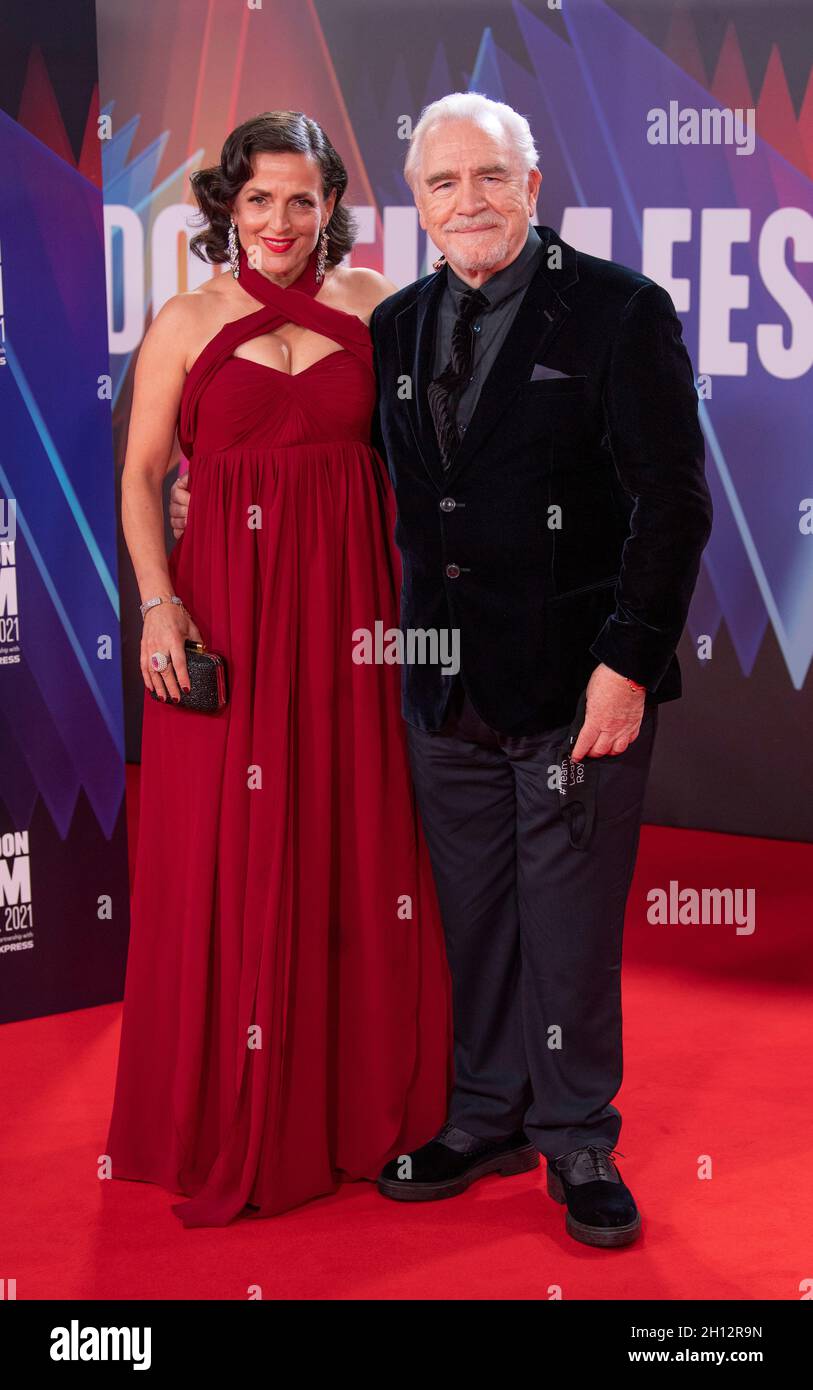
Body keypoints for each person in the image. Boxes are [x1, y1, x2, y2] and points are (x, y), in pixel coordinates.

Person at [369, 93, 713, 1247]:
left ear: (533, 183)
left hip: (578, 685)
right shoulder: (398, 322)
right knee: (475, 920)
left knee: (567, 925)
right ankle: (486, 1119)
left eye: (487, 177)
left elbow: (674, 503)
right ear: (413, 204)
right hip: (445, 686)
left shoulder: (618, 309)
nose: (465, 201)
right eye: (439, 184)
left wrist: (627, 663)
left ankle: (577, 1140)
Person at [105, 111, 451, 1228]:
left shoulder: (379, 308)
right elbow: (146, 470)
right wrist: (160, 605)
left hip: (356, 609)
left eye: (303, 201)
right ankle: (231, 1110)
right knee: (222, 850)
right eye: (259, 200)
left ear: (332, 204)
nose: (281, 224)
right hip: (226, 617)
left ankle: (367, 1109)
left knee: (357, 835)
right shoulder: (186, 319)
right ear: (226, 206)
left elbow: (433, 451)